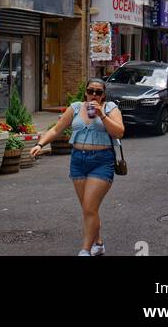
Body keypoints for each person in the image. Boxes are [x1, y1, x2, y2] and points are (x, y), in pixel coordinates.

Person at [31, 76, 124, 257]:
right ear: (85, 93)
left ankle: (85, 250)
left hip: (102, 161)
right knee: (88, 208)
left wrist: (101, 115)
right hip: (78, 161)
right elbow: (56, 129)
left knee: (89, 207)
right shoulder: (74, 108)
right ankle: (98, 242)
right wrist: (40, 145)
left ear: (103, 95)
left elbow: (119, 132)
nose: (94, 95)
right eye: (91, 91)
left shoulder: (110, 109)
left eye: (98, 92)